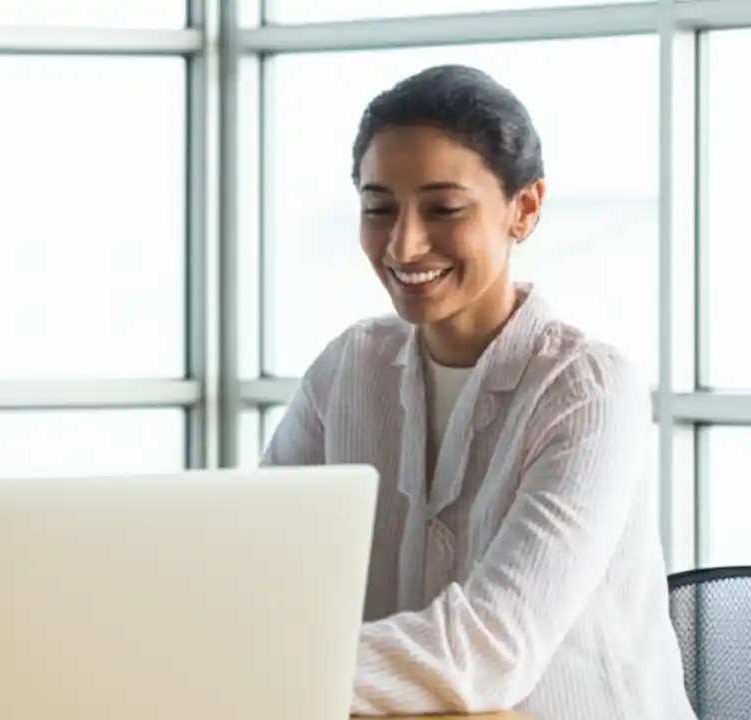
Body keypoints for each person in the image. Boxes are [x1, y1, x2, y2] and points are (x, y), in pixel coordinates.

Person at [262, 65, 694, 719]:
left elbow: (492, 649)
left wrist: (261, 666)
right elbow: (257, 569)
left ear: (524, 208)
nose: (404, 243)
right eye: (379, 208)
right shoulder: (349, 368)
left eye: (443, 209)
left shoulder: (589, 391)